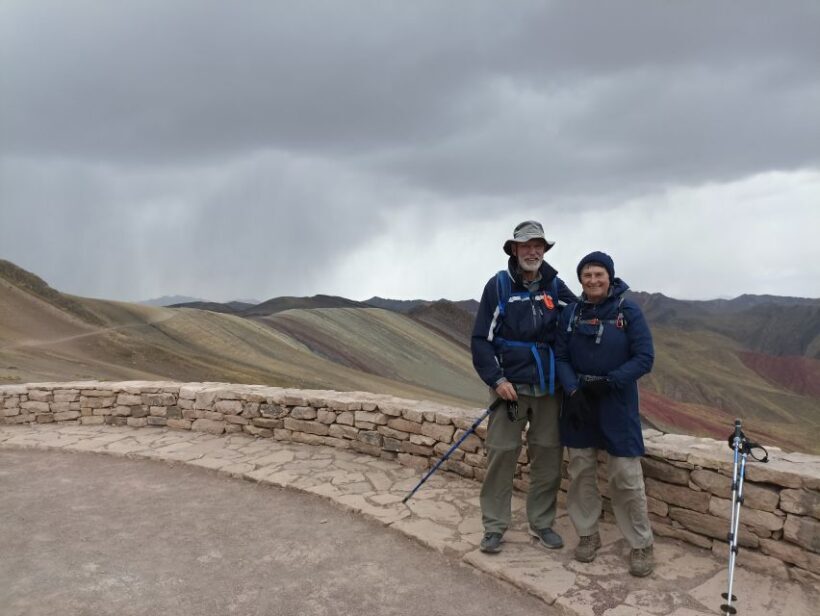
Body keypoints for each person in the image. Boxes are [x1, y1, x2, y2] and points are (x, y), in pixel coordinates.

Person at [471, 220, 578, 554]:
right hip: (512, 394)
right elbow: (481, 340)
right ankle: (494, 526)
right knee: (503, 452)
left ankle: (542, 523)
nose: (533, 251)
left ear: (544, 250)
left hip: (547, 392)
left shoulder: (555, 286)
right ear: (514, 249)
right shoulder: (499, 286)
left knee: (547, 456)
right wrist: (497, 379)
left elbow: (579, 317)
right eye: (526, 245)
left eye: (539, 246)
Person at [555, 251, 655, 577]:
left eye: (599, 274)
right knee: (582, 469)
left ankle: (641, 543)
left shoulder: (628, 311)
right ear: (580, 280)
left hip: (618, 404)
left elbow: (644, 357)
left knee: (625, 474)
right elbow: (560, 356)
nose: (594, 280)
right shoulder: (570, 313)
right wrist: (573, 388)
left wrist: (611, 381)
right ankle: (587, 533)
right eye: (587, 275)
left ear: (610, 277)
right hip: (579, 403)